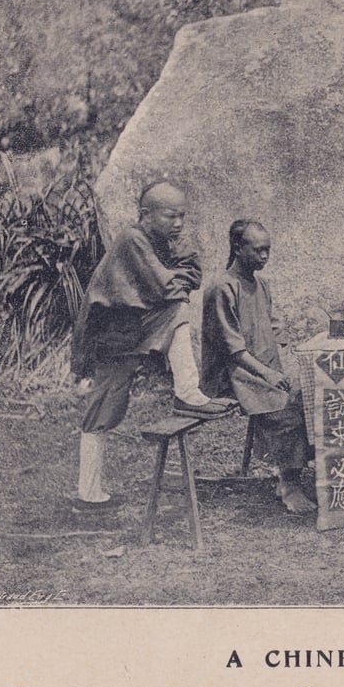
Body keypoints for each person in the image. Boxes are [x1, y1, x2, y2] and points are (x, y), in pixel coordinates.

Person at [69, 181, 233, 513]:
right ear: (146, 214)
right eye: (171, 216)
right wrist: (176, 279)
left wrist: (177, 271)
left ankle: (188, 392)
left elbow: (192, 275)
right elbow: (169, 287)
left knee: (177, 308)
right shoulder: (133, 239)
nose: (178, 223)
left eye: (182, 216)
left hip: (134, 328)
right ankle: (87, 497)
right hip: (112, 336)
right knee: (103, 412)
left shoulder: (159, 241)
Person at [200, 220, 314, 513]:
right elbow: (232, 349)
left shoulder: (261, 284)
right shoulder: (221, 288)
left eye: (268, 250)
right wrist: (268, 374)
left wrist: (291, 362)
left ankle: (290, 475)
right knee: (288, 413)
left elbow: (273, 332)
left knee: (310, 399)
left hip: (264, 371)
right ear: (238, 248)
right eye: (258, 250)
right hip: (232, 376)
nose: (264, 257)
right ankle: (289, 485)